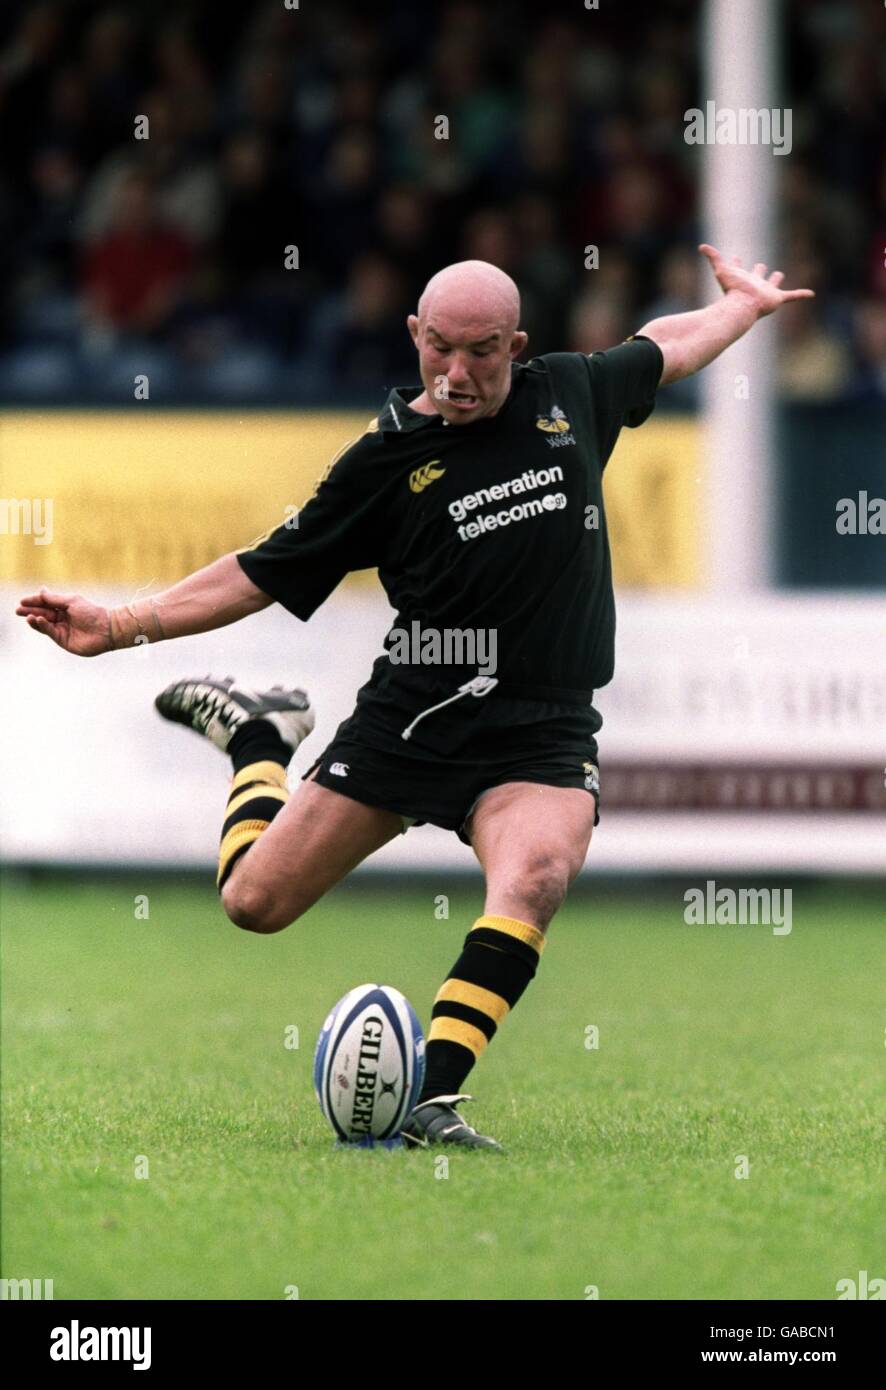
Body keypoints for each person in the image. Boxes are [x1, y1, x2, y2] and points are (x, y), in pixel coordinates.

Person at [17, 249, 813, 1150]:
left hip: (541, 731)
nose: (459, 372)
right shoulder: (382, 463)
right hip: (413, 723)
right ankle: (258, 741)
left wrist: (739, 312)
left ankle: (429, 1098)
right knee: (253, 903)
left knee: (537, 879)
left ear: (517, 345)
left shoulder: (569, 396)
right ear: (414, 337)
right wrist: (120, 624)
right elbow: (257, 573)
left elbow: (659, 345)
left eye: (482, 352)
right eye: (440, 348)